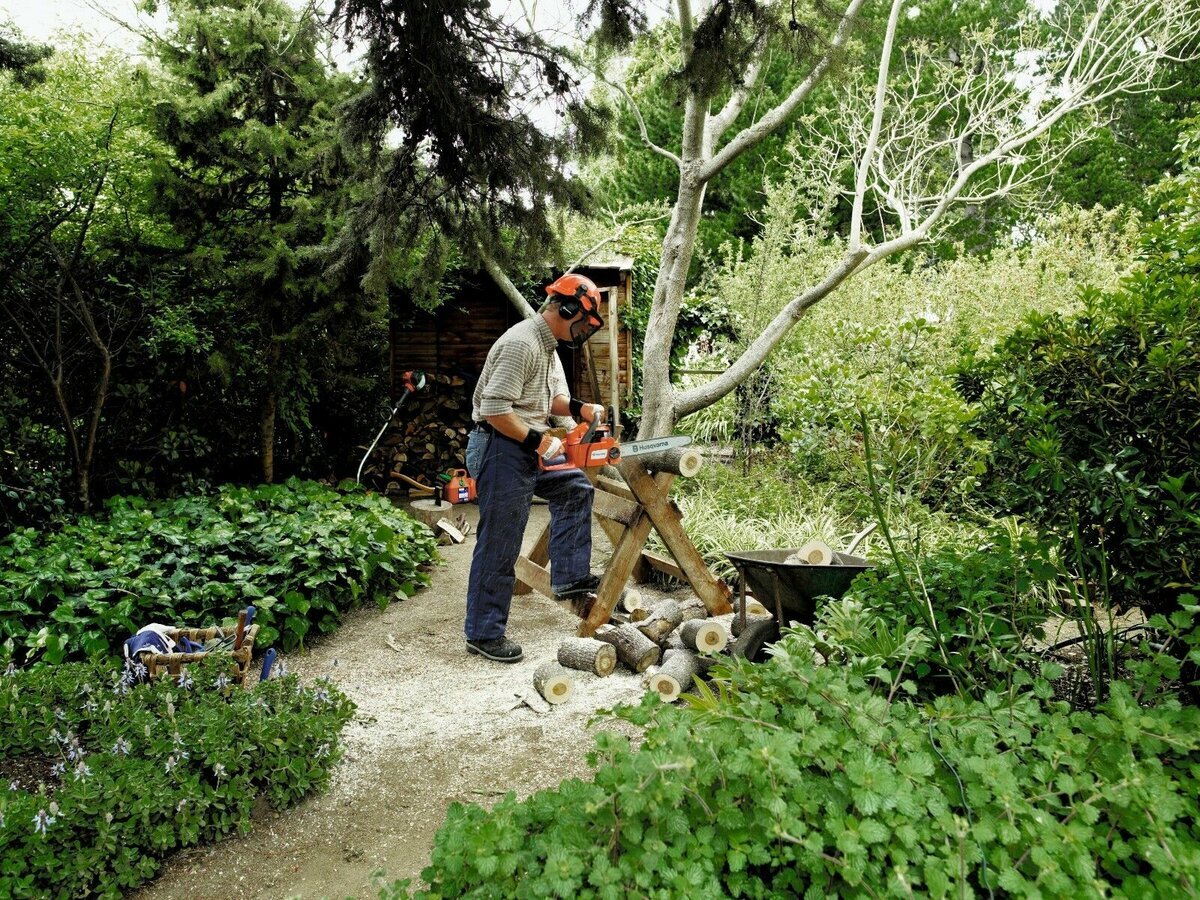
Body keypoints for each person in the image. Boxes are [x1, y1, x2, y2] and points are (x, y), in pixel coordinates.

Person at [462, 274, 607, 663]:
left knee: (576, 488)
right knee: (502, 539)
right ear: (568, 309)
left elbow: (552, 398)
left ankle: (569, 576)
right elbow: (494, 410)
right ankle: (483, 632)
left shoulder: (548, 347)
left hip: (526, 445)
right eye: (583, 322)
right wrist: (538, 441)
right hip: (499, 447)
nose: (582, 331)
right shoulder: (521, 343)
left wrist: (580, 408)